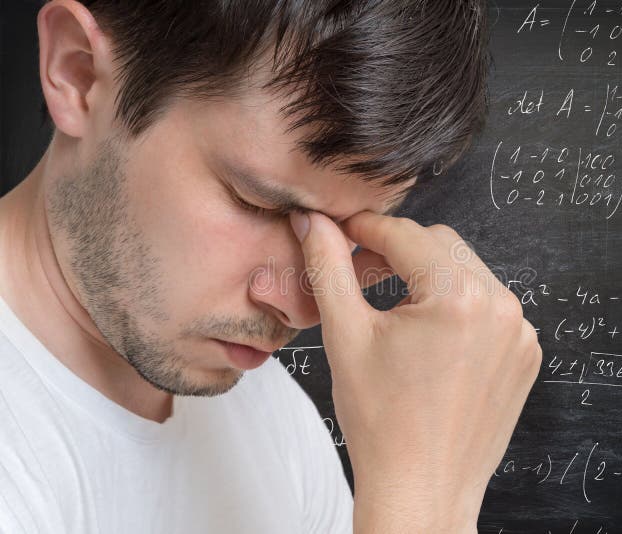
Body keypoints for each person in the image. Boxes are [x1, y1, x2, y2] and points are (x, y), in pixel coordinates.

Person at [0, 0, 542, 532]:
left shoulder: (271, 417)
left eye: (350, 231)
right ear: (78, 73)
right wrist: (426, 504)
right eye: (257, 204)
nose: (304, 307)